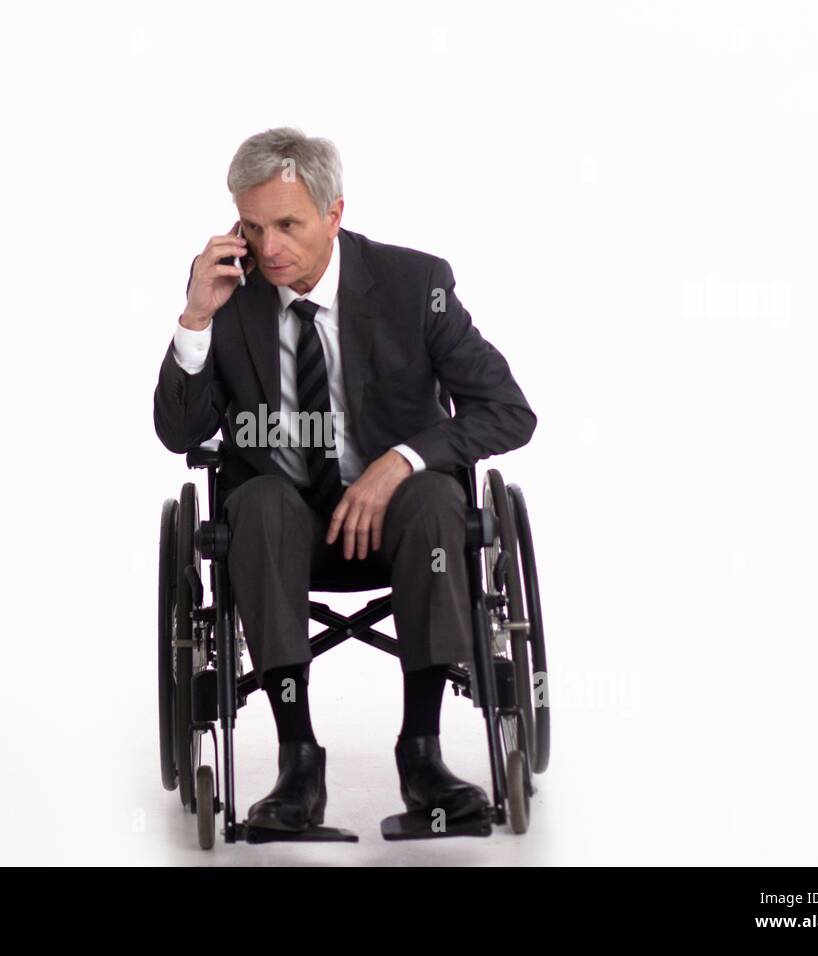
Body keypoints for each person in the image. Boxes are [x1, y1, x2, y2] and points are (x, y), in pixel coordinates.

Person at [152, 127, 537, 831]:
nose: (268, 248)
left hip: (405, 529)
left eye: (288, 225)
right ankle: (298, 761)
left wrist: (405, 458)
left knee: (431, 496)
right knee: (260, 503)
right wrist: (196, 318)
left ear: (334, 214)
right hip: (280, 534)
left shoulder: (414, 285)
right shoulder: (230, 294)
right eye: (252, 226)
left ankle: (422, 756)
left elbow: (509, 412)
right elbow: (181, 434)